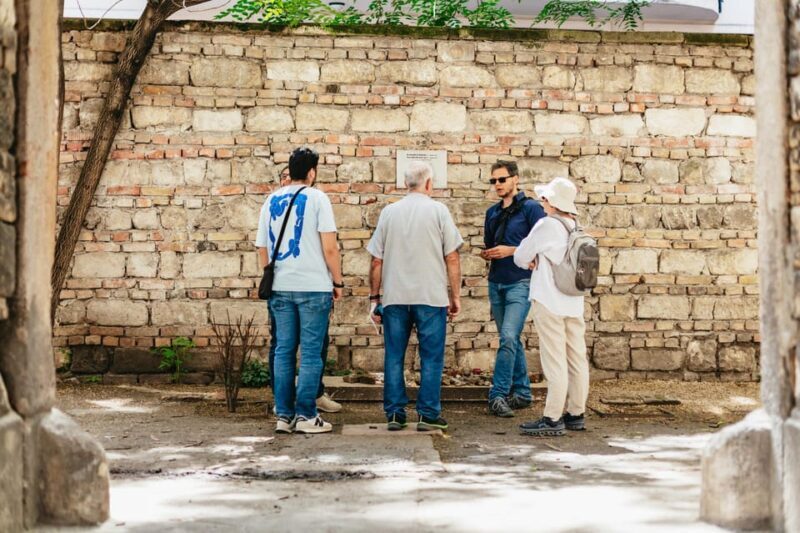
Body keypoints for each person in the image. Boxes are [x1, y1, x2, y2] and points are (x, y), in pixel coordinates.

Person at [367, 161, 463, 432]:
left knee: (394, 356)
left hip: (396, 296)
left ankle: (396, 414)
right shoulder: (438, 211)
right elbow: (452, 256)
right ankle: (428, 414)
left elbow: (376, 260)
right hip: (431, 296)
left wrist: (374, 298)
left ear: (406, 184)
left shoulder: (389, 212)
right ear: (429, 184)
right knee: (431, 357)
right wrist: (455, 296)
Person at [255, 148, 344, 434]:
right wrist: (338, 281)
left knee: (283, 350)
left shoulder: (270, 200)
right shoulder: (318, 198)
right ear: (312, 172)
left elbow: (262, 248)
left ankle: (284, 416)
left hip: (280, 286)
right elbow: (329, 247)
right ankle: (306, 416)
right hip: (314, 287)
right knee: (310, 353)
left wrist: (273, 275)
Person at [513, 177, 589, 437]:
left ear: (552, 202)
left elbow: (520, 255)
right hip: (574, 301)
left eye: (544, 198)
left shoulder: (546, 225)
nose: (541, 202)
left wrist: (532, 259)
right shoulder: (575, 226)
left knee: (554, 360)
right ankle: (576, 413)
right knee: (577, 358)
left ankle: (552, 417)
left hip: (550, 300)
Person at [480, 160, 546, 418]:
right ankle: (523, 393)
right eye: (493, 181)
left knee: (507, 336)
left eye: (502, 180)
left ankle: (497, 395)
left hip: (521, 282)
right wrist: (491, 253)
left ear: (515, 179)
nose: (497, 185)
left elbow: (544, 245)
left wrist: (512, 250)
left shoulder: (531, 208)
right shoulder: (491, 213)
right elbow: (491, 242)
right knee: (512, 338)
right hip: (496, 282)